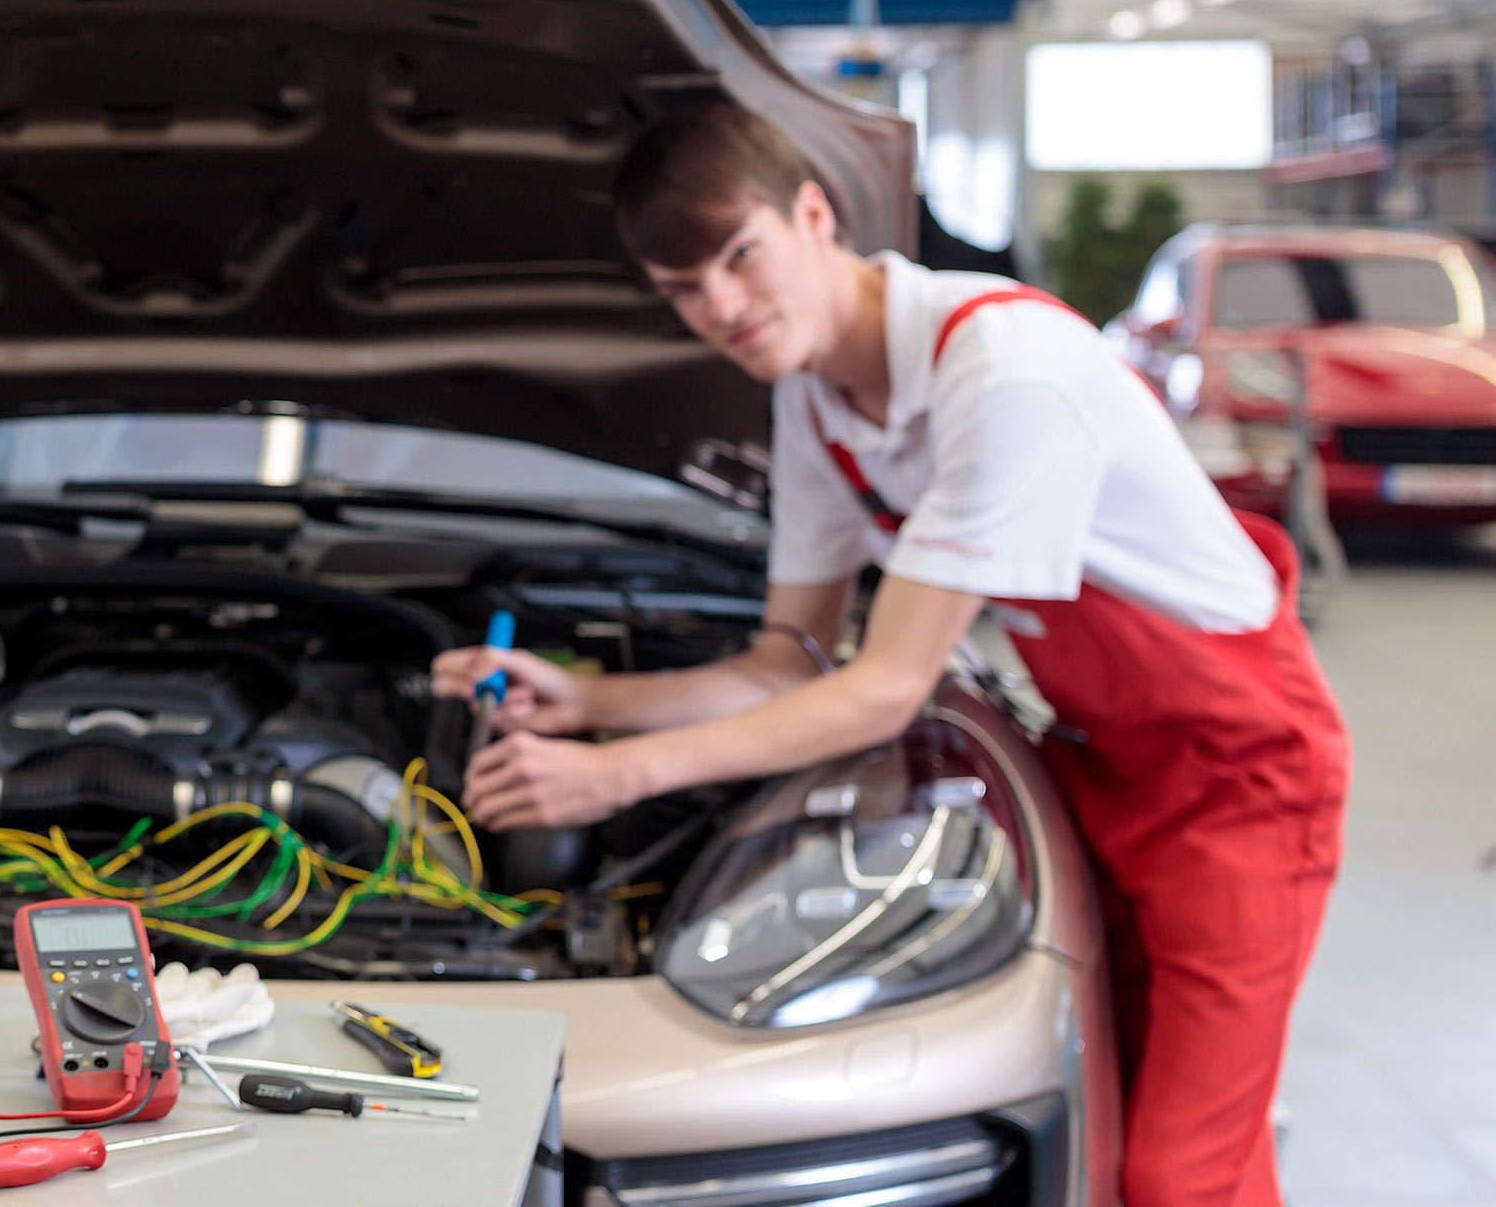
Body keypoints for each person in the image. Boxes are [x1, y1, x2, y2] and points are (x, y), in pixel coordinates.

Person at [436, 101, 1347, 1207]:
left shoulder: (1006, 372)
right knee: (1125, 1124)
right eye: (681, 288)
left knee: (1181, 1172)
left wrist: (614, 773)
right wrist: (589, 700)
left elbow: (883, 688)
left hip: (1237, 778)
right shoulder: (814, 399)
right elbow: (790, 661)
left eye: (739, 256)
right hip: (1106, 758)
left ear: (812, 213)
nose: (719, 307)